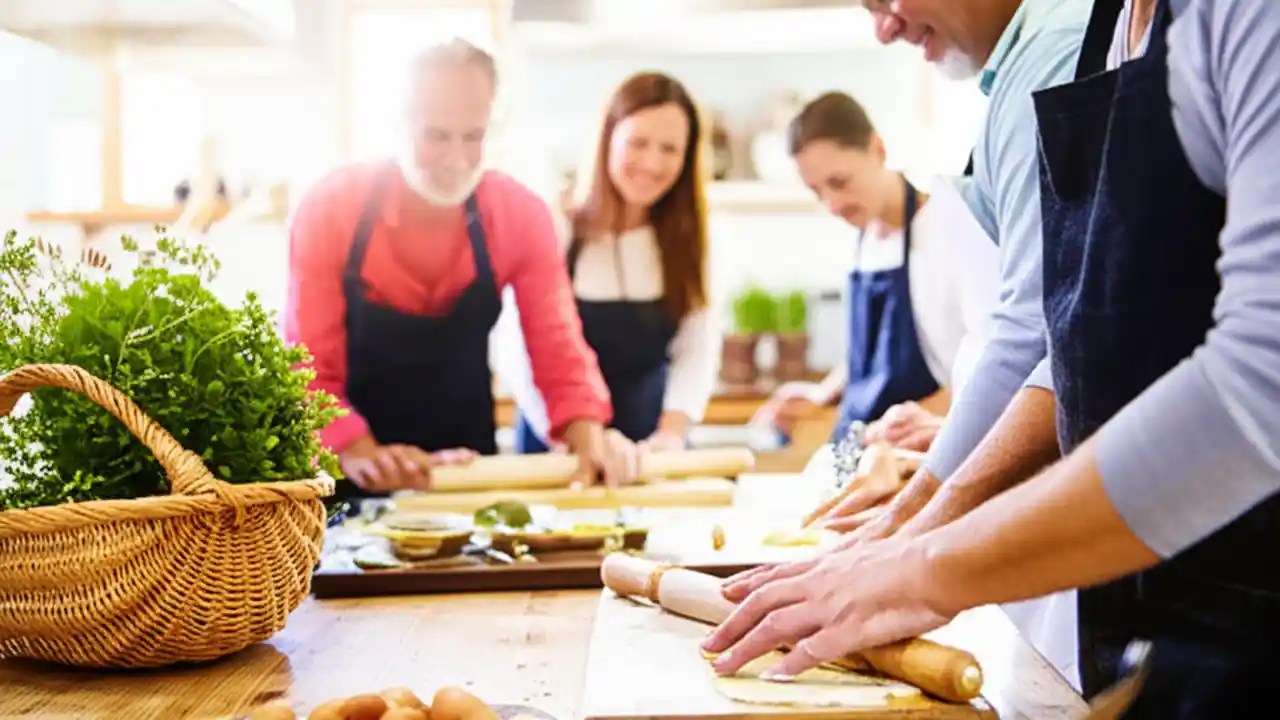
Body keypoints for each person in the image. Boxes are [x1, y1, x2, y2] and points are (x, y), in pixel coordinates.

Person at [703, 0, 1280, 715]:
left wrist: (923, 566)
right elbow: (1073, 342)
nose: (882, 25)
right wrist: (907, 534)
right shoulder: (1105, 31)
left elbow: (1258, 389)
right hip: (1145, 611)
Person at [736, 0, 1095, 688]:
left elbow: (1032, 338)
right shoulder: (1014, 78)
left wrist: (917, 527)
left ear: (876, 151)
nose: (884, 28)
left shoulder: (1054, 54)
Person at [285, 38, 635, 498]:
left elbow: (557, 344)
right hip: (346, 475)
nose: (456, 159)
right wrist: (360, 450)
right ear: (396, 124)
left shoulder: (520, 215)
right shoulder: (330, 208)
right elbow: (306, 370)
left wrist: (585, 429)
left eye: (474, 137)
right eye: (436, 136)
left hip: (467, 473)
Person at [495, 72, 720, 454]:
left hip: (651, 446)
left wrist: (671, 433)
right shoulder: (556, 229)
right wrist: (574, 439)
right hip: (557, 442)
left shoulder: (689, 242)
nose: (652, 162)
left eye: (669, 149)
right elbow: (515, 350)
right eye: (638, 143)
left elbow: (695, 347)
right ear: (607, 140)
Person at [752, 92, 966, 454]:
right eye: (816, 191)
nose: (832, 205)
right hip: (863, 452)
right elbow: (870, 356)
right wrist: (823, 394)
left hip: (919, 454)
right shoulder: (866, 237)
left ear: (877, 150)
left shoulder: (946, 229)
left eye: (840, 181)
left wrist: (907, 427)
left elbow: (983, 376)